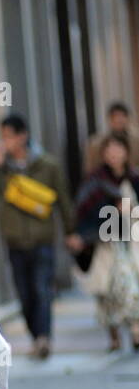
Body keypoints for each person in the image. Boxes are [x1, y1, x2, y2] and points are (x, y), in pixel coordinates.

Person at [0, 113, 75, 359]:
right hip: (14, 240)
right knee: (24, 293)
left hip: (43, 239)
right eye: (3, 137)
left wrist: (70, 231)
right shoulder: (2, 169)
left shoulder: (47, 165)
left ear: (23, 136)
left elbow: (63, 199)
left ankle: (44, 338)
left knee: (42, 289)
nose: (6, 141)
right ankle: (36, 336)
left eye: (9, 136)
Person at [66, 131, 139, 351]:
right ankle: (114, 335)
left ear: (126, 152)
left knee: (131, 286)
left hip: (132, 244)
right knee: (107, 290)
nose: (114, 154)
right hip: (104, 246)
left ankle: (136, 330)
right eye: (110, 150)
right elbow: (84, 211)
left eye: (118, 149)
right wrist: (81, 234)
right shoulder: (95, 181)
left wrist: (131, 209)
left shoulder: (134, 179)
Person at [83, 101, 139, 178]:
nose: (118, 120)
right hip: (105, 182)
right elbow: (90, 168)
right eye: (115, 116)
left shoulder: (136, 141)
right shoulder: (96, 143)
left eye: (122, 116)